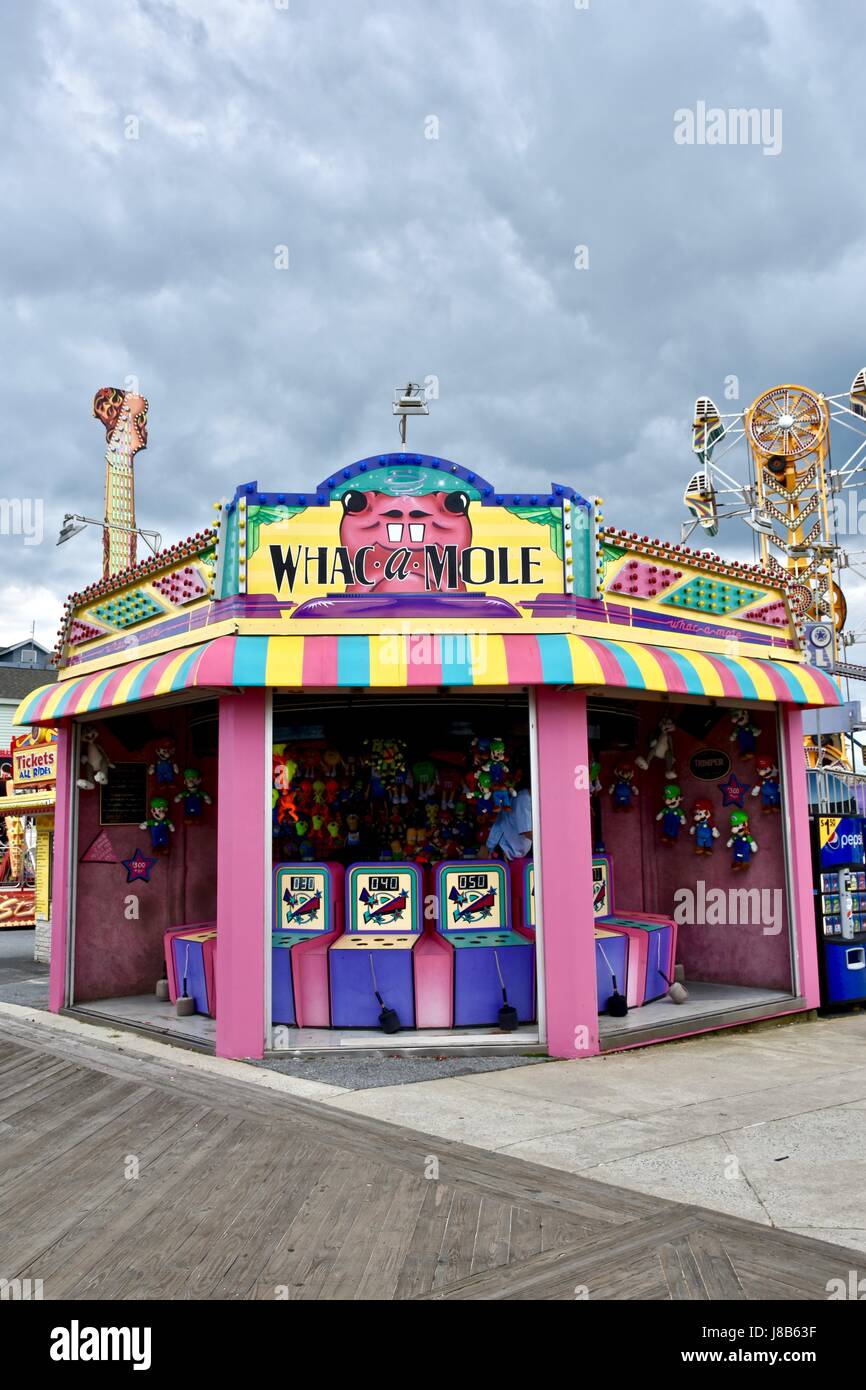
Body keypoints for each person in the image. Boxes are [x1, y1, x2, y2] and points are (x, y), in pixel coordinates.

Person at [486, 776, 533, 862]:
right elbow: (528, 832)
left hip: (513, 851)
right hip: (504, 849)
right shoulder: (524, 798)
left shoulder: (531, 799)